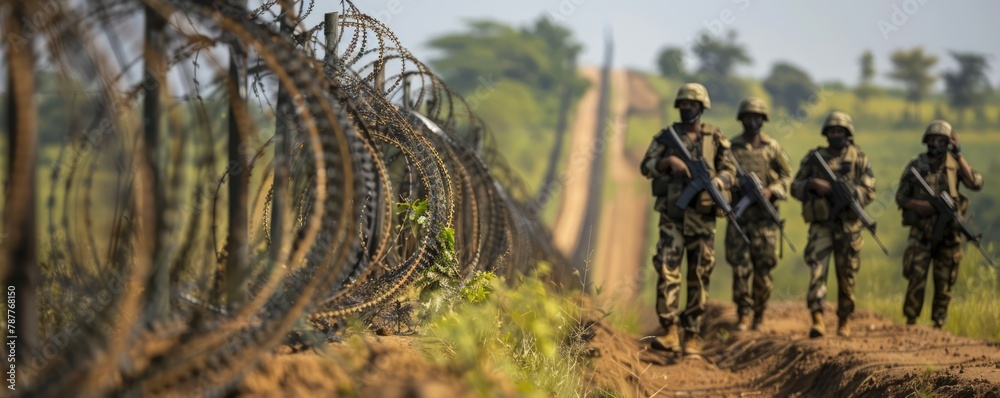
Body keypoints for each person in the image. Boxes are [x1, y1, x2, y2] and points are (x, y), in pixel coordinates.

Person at [640, 83, 736, 356]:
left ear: (701, 107)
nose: (686, 108)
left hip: (703, 220)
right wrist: (668, 162)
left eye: (691, 105)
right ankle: (670, 330)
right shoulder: (666, 138)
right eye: (682, 104)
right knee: (668, 271)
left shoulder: (715, 138)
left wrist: (718, 180)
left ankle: (691, 334)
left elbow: (731, 169)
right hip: (673, 217)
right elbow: (646, 166)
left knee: (699, 274)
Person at [790, 111, 876, 338]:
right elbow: (794, 187)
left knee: (847, 275)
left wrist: (852, 193)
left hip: (849, 226)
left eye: (840, 131)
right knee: (817, 270)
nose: (836, 135)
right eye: (832, 131)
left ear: (848, 134)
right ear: (826, 134)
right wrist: (813, 185)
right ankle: (817, 318)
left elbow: (870, 190)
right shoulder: (814, 158)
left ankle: (844, 321)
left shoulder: (859, 158)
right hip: (822, 225)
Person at [896, 120, 984, 328]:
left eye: (943, 140)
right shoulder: (917, 166)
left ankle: (938, 324)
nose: (938, 144)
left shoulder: (955, 166)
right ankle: (911, 322)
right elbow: (900, 197)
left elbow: (975, 183)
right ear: (926, 141)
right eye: (934, 140)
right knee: (916, 278)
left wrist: (960, 155)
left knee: (944, 282)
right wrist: (919, 205)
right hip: (921, 234)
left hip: (949, 237)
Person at [725, 97, 792, 331]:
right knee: (740, 269)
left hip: (765, 221)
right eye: (748, 117)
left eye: (757, 117)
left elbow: (787, 177)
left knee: (763, 271)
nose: (752, 121)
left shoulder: (772, 148)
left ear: (763, 120)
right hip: (740, 219)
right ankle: (743, 314)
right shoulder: (731, 148)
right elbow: (722, 176)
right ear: (741, 119)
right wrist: (737, 183)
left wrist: (770, 191)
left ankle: (759, 316)